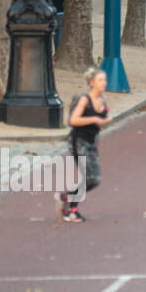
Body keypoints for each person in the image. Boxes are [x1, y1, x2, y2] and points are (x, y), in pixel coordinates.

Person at [60, 68, 111, 222]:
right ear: (91, 83)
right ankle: (72, 210)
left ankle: (68, 196)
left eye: (105, 80)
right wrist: (95, 120)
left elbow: (100, 122)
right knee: (89, 177)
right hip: (78, 141)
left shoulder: (102, 101)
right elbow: (73, 121)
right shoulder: (84, 100)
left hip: (91, 143)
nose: (104, 83)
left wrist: (105, 121)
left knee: (95, 179)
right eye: (100, 80)